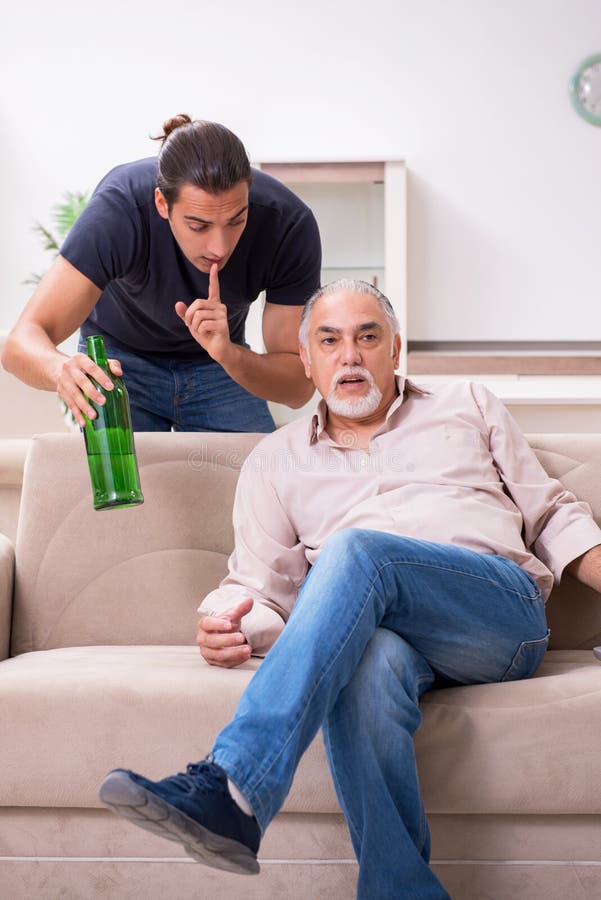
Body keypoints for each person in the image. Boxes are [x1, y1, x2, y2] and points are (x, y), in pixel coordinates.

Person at [98, 279, 601, 899]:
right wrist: (228, 626)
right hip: (388, 634)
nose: (351, 355)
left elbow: (550, 513)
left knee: (358, 549)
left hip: (496, 616)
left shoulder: (467, 402)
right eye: (329, 341)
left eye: (368, 337)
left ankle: (234, 785)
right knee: (366, 668)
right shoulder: (274, 462)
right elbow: (263, 592)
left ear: (395, 350)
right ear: (305, 360)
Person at [1, 115, 321, 433]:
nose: (219, 247)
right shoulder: (120, 209)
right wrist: (61, 370)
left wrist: (228, 354)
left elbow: (297, 388)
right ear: (161, 204)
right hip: (119, 364)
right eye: (198, 226)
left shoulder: (287, 224)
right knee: (120, 480)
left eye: (236, 220)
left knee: (259, 475)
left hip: (220, 364)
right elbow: (19, 344)